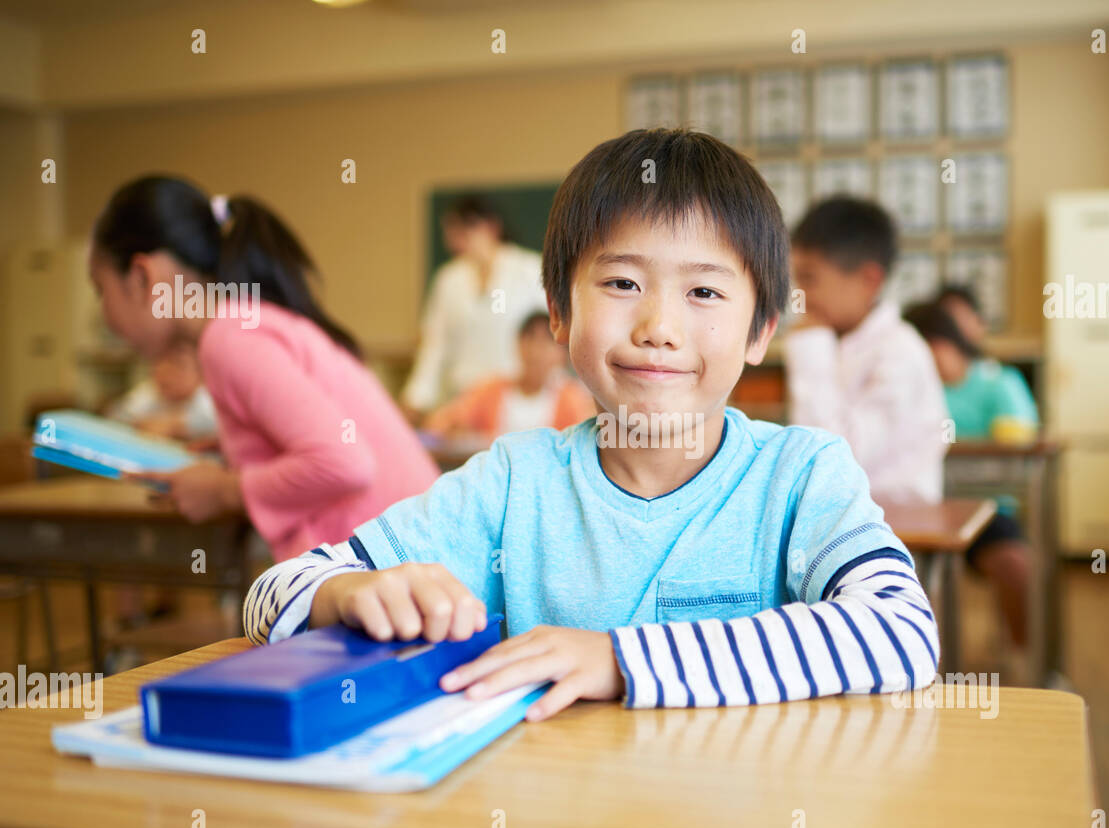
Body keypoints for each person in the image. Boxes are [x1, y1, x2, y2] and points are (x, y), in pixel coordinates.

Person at [244, 129, 940, 721]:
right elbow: (271, 593)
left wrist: (619, 659)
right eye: (621, 284)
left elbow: (903, 631)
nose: (658, 328)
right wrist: (348, 591)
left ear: (760, 328)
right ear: (558, 312)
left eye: (703, 291)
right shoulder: (514, 481)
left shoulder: (801, 474)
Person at [90, 176, 438, 561]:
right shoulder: (246, 323)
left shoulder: (231, 337)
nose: (105, 315)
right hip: (411, 567)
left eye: (100, 289)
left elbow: (345, 463)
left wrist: (224, 489)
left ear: (142, 277)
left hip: (401, 578)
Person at [783, 197, 948, 504]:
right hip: (843, 516)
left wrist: (809, 353)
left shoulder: (900, 351)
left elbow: (834, 458)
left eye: (809, 279)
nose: (799, 296)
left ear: (868, 280)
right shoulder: (835, 341)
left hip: (898, 526)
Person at [903, 299, 1037, 651]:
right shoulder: (910, 388)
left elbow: (1018, 443)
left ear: (944, 344)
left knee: (1015, 564)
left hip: (988, 510)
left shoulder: (999, 382)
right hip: (922, 509)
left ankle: (1025, 655)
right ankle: (925, 666)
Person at [401, 196, 549, 418]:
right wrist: (416, 398)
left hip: (515, 399)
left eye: (463, 230)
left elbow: (554, 335)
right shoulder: (448, 279)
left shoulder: (529, 270)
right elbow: (435, 346)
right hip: (462, 399)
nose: (454, 241)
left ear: (490, 226)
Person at [423, 311, 595, 440]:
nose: (536, 350)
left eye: (546, 341)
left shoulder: (573, 397)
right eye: (530, 338)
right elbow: (439, 423)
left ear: (562, 352)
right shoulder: (490, 389)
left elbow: (587, 440)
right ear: (518, 344)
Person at [108, 339, 217, 443]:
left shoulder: (208, 399)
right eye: (160, 362)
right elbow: (118, 418)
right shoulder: (150, 393)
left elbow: (212, 423)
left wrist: (175, 427)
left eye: (178, 364)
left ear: (201, 373)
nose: (166, 372)